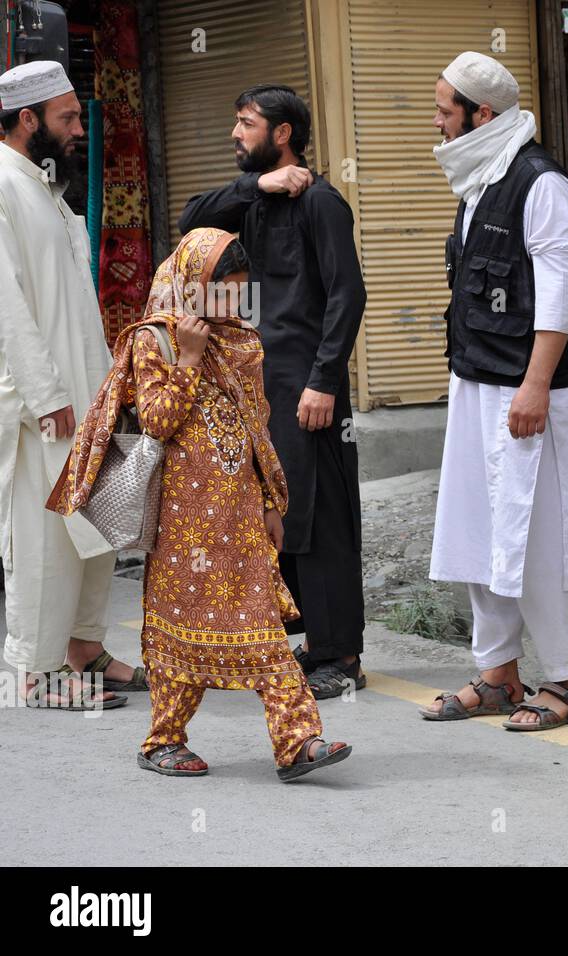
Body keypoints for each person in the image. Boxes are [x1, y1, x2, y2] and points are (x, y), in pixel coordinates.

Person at [50, 227, 352, 780]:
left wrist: (268, 502)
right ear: (190, 284)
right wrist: (188, 359)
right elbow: (159, 421)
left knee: (267, 637)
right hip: (181, 528)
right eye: (221, 292)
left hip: (239, 521)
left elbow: (257, 428)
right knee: (177, 644)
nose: (231, 305)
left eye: (238, 292)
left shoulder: (241, 343)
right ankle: (162, 741)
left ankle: (299, 743)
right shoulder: (154, 340)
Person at [421, 52, 568, 730]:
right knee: (478, 531)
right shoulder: (478, 179)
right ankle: (497, 673)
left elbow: (560, 290)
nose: (437, 122)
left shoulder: (540, 183)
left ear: (482, 114)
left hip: (535, 395)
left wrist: (535, 383)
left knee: (545, 538)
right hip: (476, 384)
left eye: (445, 109)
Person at [177, 85, 367, 699]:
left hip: (309, 390)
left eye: (247, 123)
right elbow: (188, 221)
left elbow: (347, 295)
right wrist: (255, 189)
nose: (236, 133)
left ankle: (342, 653)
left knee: (323, 515)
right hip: (260, 391)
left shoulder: (323, 205)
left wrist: (323, 381)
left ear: (282, 133)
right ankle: (311, 642)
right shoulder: (250, 203)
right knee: (281, 516)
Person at [0, 60, 145, 709]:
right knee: (43, 539)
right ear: (27, 120)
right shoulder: (3, 185)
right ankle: (33, 672)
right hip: (42, 403)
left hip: (84, 394)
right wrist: (44, 392)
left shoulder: (43, 185)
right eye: (66, 117)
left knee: (96, 525)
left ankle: (85, 647)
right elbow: (4, 303)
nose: (77, 128)